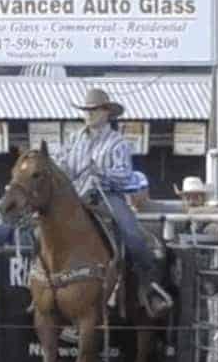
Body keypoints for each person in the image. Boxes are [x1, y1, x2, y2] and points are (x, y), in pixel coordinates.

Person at [57, 87, 173, 317]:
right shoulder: (73, 139)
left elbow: (124, 175)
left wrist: (100, 172)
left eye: (94, 110)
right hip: (75, 196)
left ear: (106, 112)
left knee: (133, 236)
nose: (89, 114)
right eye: (86, 110)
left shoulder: (117, 142)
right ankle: (41, 285)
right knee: (40, 224)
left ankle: (149, 288)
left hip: (106, 195)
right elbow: (63, 166)